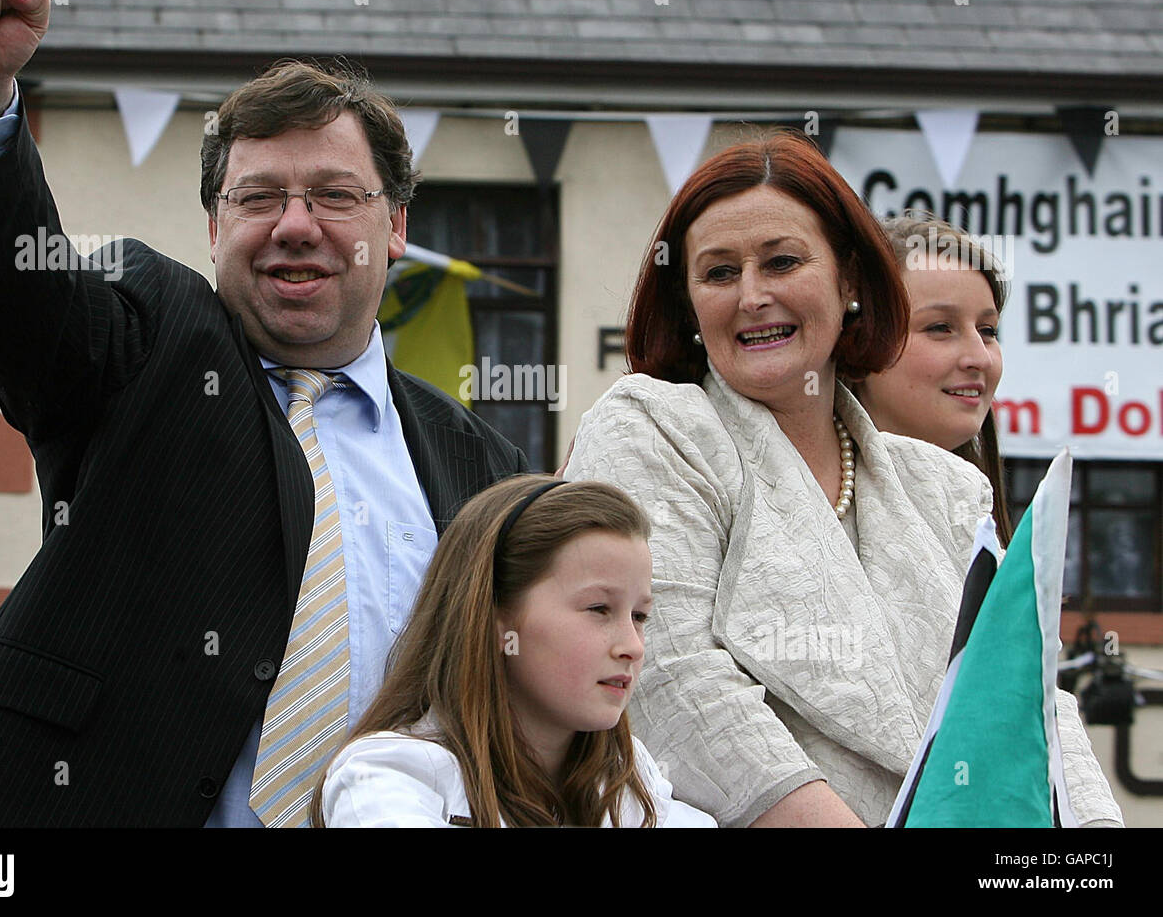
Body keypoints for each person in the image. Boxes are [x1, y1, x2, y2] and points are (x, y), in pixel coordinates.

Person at [0, 0, 526, 827]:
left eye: (334, 196)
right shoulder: (147, 344)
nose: (296, 225)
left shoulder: (481, 466)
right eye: (258, 198)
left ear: (394, 226)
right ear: (215, 227)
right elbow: (14, 298)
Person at [564, 129, 1122, 827]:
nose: (752, 295)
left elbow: (1030, 701)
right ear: (688, 304)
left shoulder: (947, 490)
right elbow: (671, 681)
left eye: (782, 261)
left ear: (850, 281)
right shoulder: (650, 426)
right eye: (718, 273)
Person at [314, 475, 715, 827]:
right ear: (493, 614)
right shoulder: (387, 775)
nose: (632, 646)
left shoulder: (629, 781)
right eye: (598, 609)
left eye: (640, 615)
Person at [853, 212, 1013, 544]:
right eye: (940, 327)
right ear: (859, 343)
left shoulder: (978, 521)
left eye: (988, 331)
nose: (979, 358)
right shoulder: (801, 514)